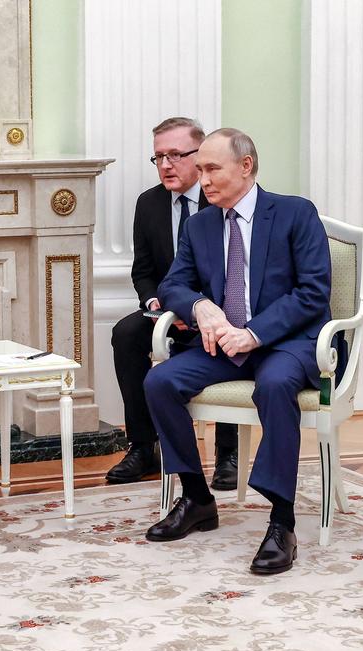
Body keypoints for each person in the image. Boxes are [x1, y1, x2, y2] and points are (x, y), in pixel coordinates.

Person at [143, 128, 332, 575]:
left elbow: (313, 292)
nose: (203, 179)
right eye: (200, 169)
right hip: (223, 345)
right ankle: (197, 497)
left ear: (246, 166)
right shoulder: (200, 224)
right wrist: (199, 306)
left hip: (286, 343)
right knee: (160, 381)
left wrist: (255, 333)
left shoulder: (295, 213)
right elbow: (172, 284)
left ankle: (281, 522)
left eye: (212, 169)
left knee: (276, 384)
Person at [106, 117, 240, 489]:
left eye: (176, 155)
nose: (166, 165)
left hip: (218, 310)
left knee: (227, 335)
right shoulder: (149, 204)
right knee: (126, 334)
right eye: (159, 157)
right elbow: (143, 271)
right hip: (166, 312)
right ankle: (142, 446)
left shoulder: (223, 200)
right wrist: (156, 305)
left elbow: (235, 271)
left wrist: (199, 308)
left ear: (200, 155)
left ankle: (228, 453)